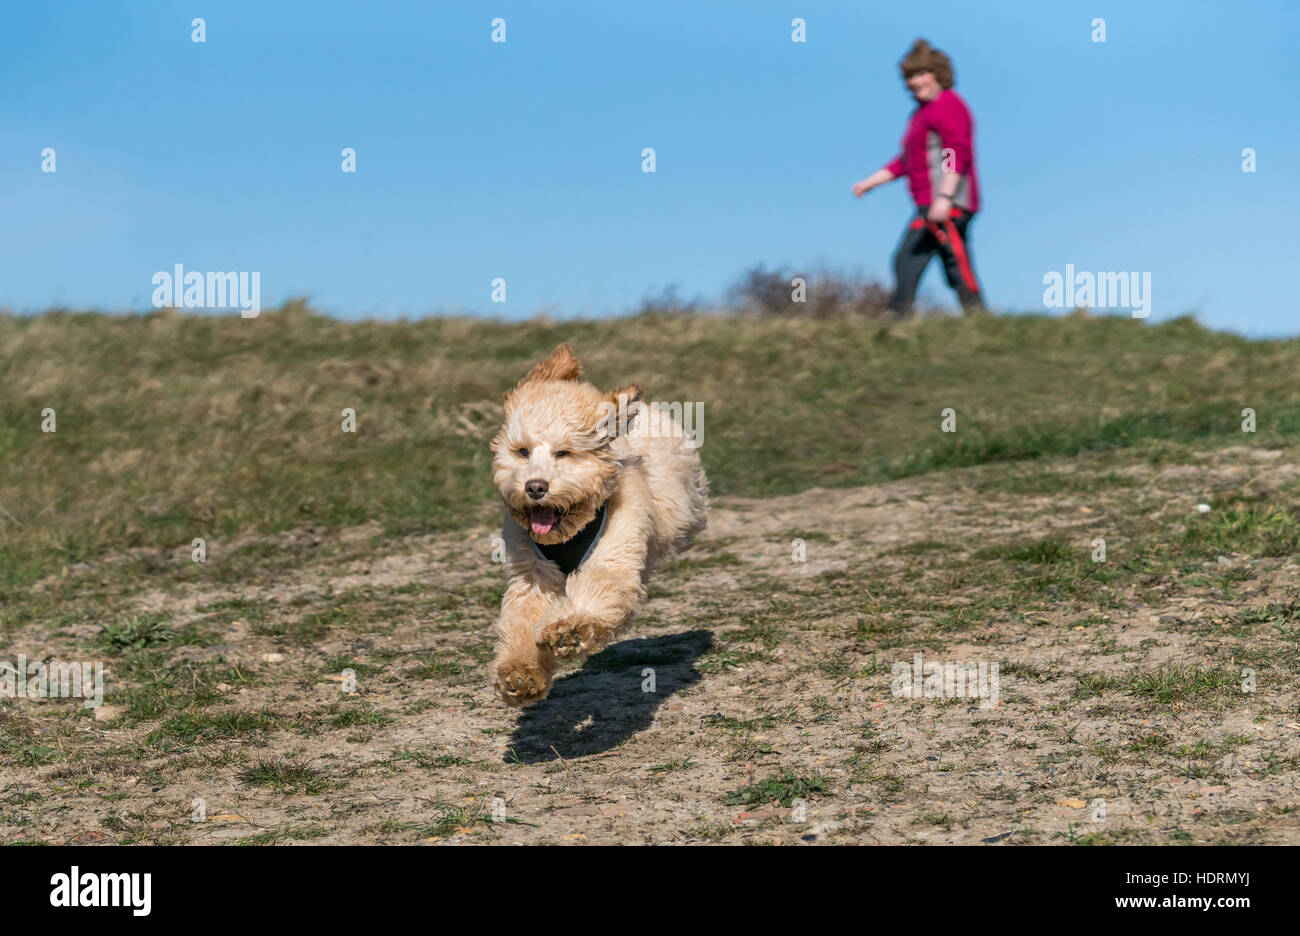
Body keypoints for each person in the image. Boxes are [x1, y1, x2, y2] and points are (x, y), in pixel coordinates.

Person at [852, 39, 986, 317]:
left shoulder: (948, 105)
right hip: (930, 204)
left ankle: (904, 315)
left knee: (945, 261)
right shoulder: (920, 115)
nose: (916, 81)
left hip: (950, 202)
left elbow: (954, 151)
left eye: (922, 73)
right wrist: (870, 182)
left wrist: (945, 197)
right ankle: (901, 315)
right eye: (911, 76)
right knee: (923, 260)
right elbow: (906, 161)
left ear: (938, 73)